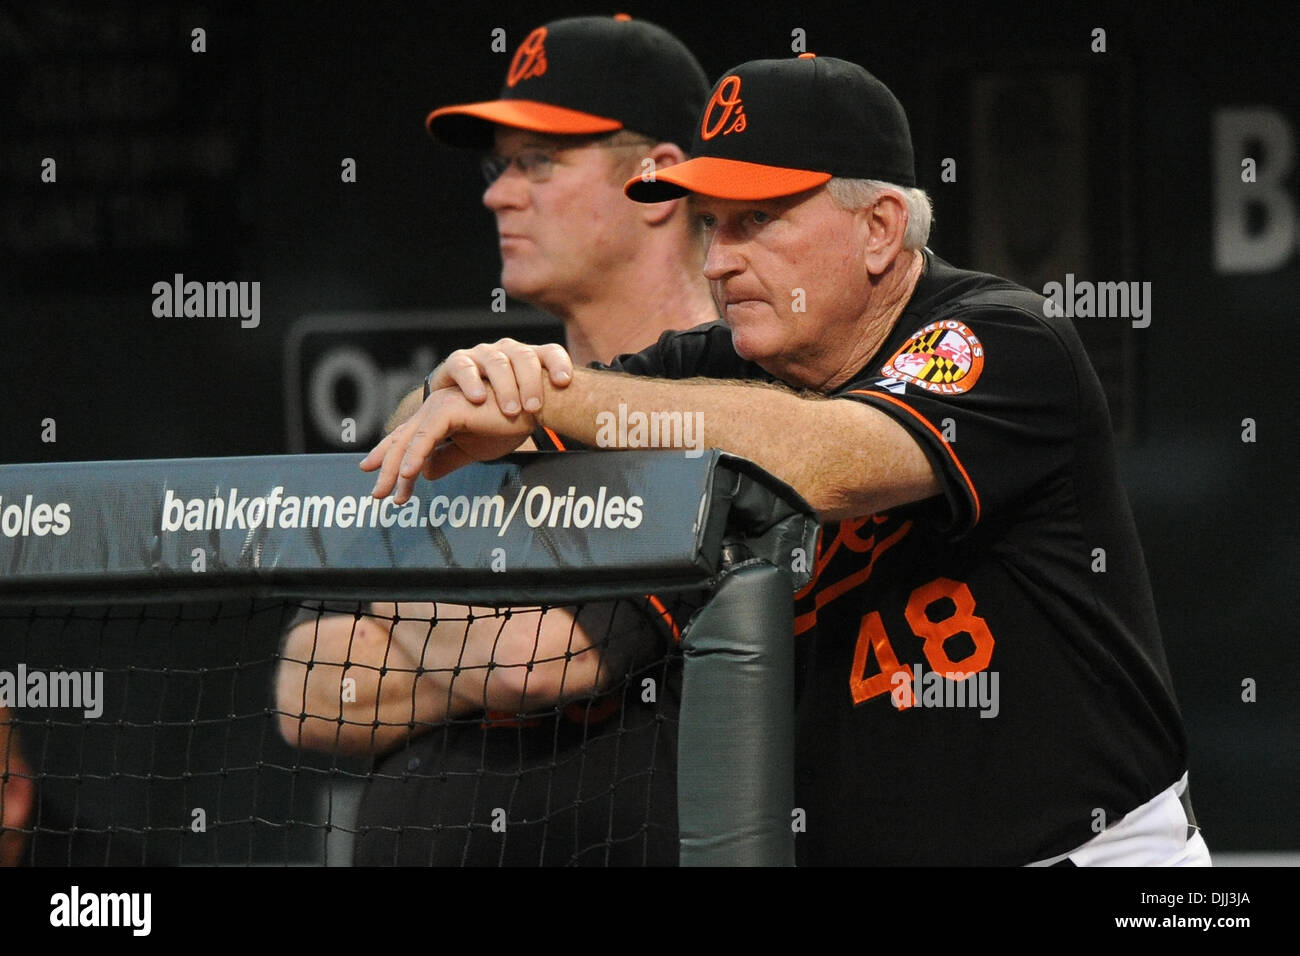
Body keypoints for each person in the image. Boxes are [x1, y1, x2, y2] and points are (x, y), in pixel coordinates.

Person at [363, 53, 1211, 866]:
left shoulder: (999, 336)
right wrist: (454, 391)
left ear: (879, 228)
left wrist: (552, 396)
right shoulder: (712, 363)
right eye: (709, 225)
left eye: (757, 221)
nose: (720, 260)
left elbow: (831, 462)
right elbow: (430, 424)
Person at [276, 15, 713, 865]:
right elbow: (309, 684)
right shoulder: (480, 402)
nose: (498, 194)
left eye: (538, 163)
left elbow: (536, 662)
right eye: (499, 166)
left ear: (657, 179)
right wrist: (489, 641)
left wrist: (419, 625)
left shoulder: (725, 405)